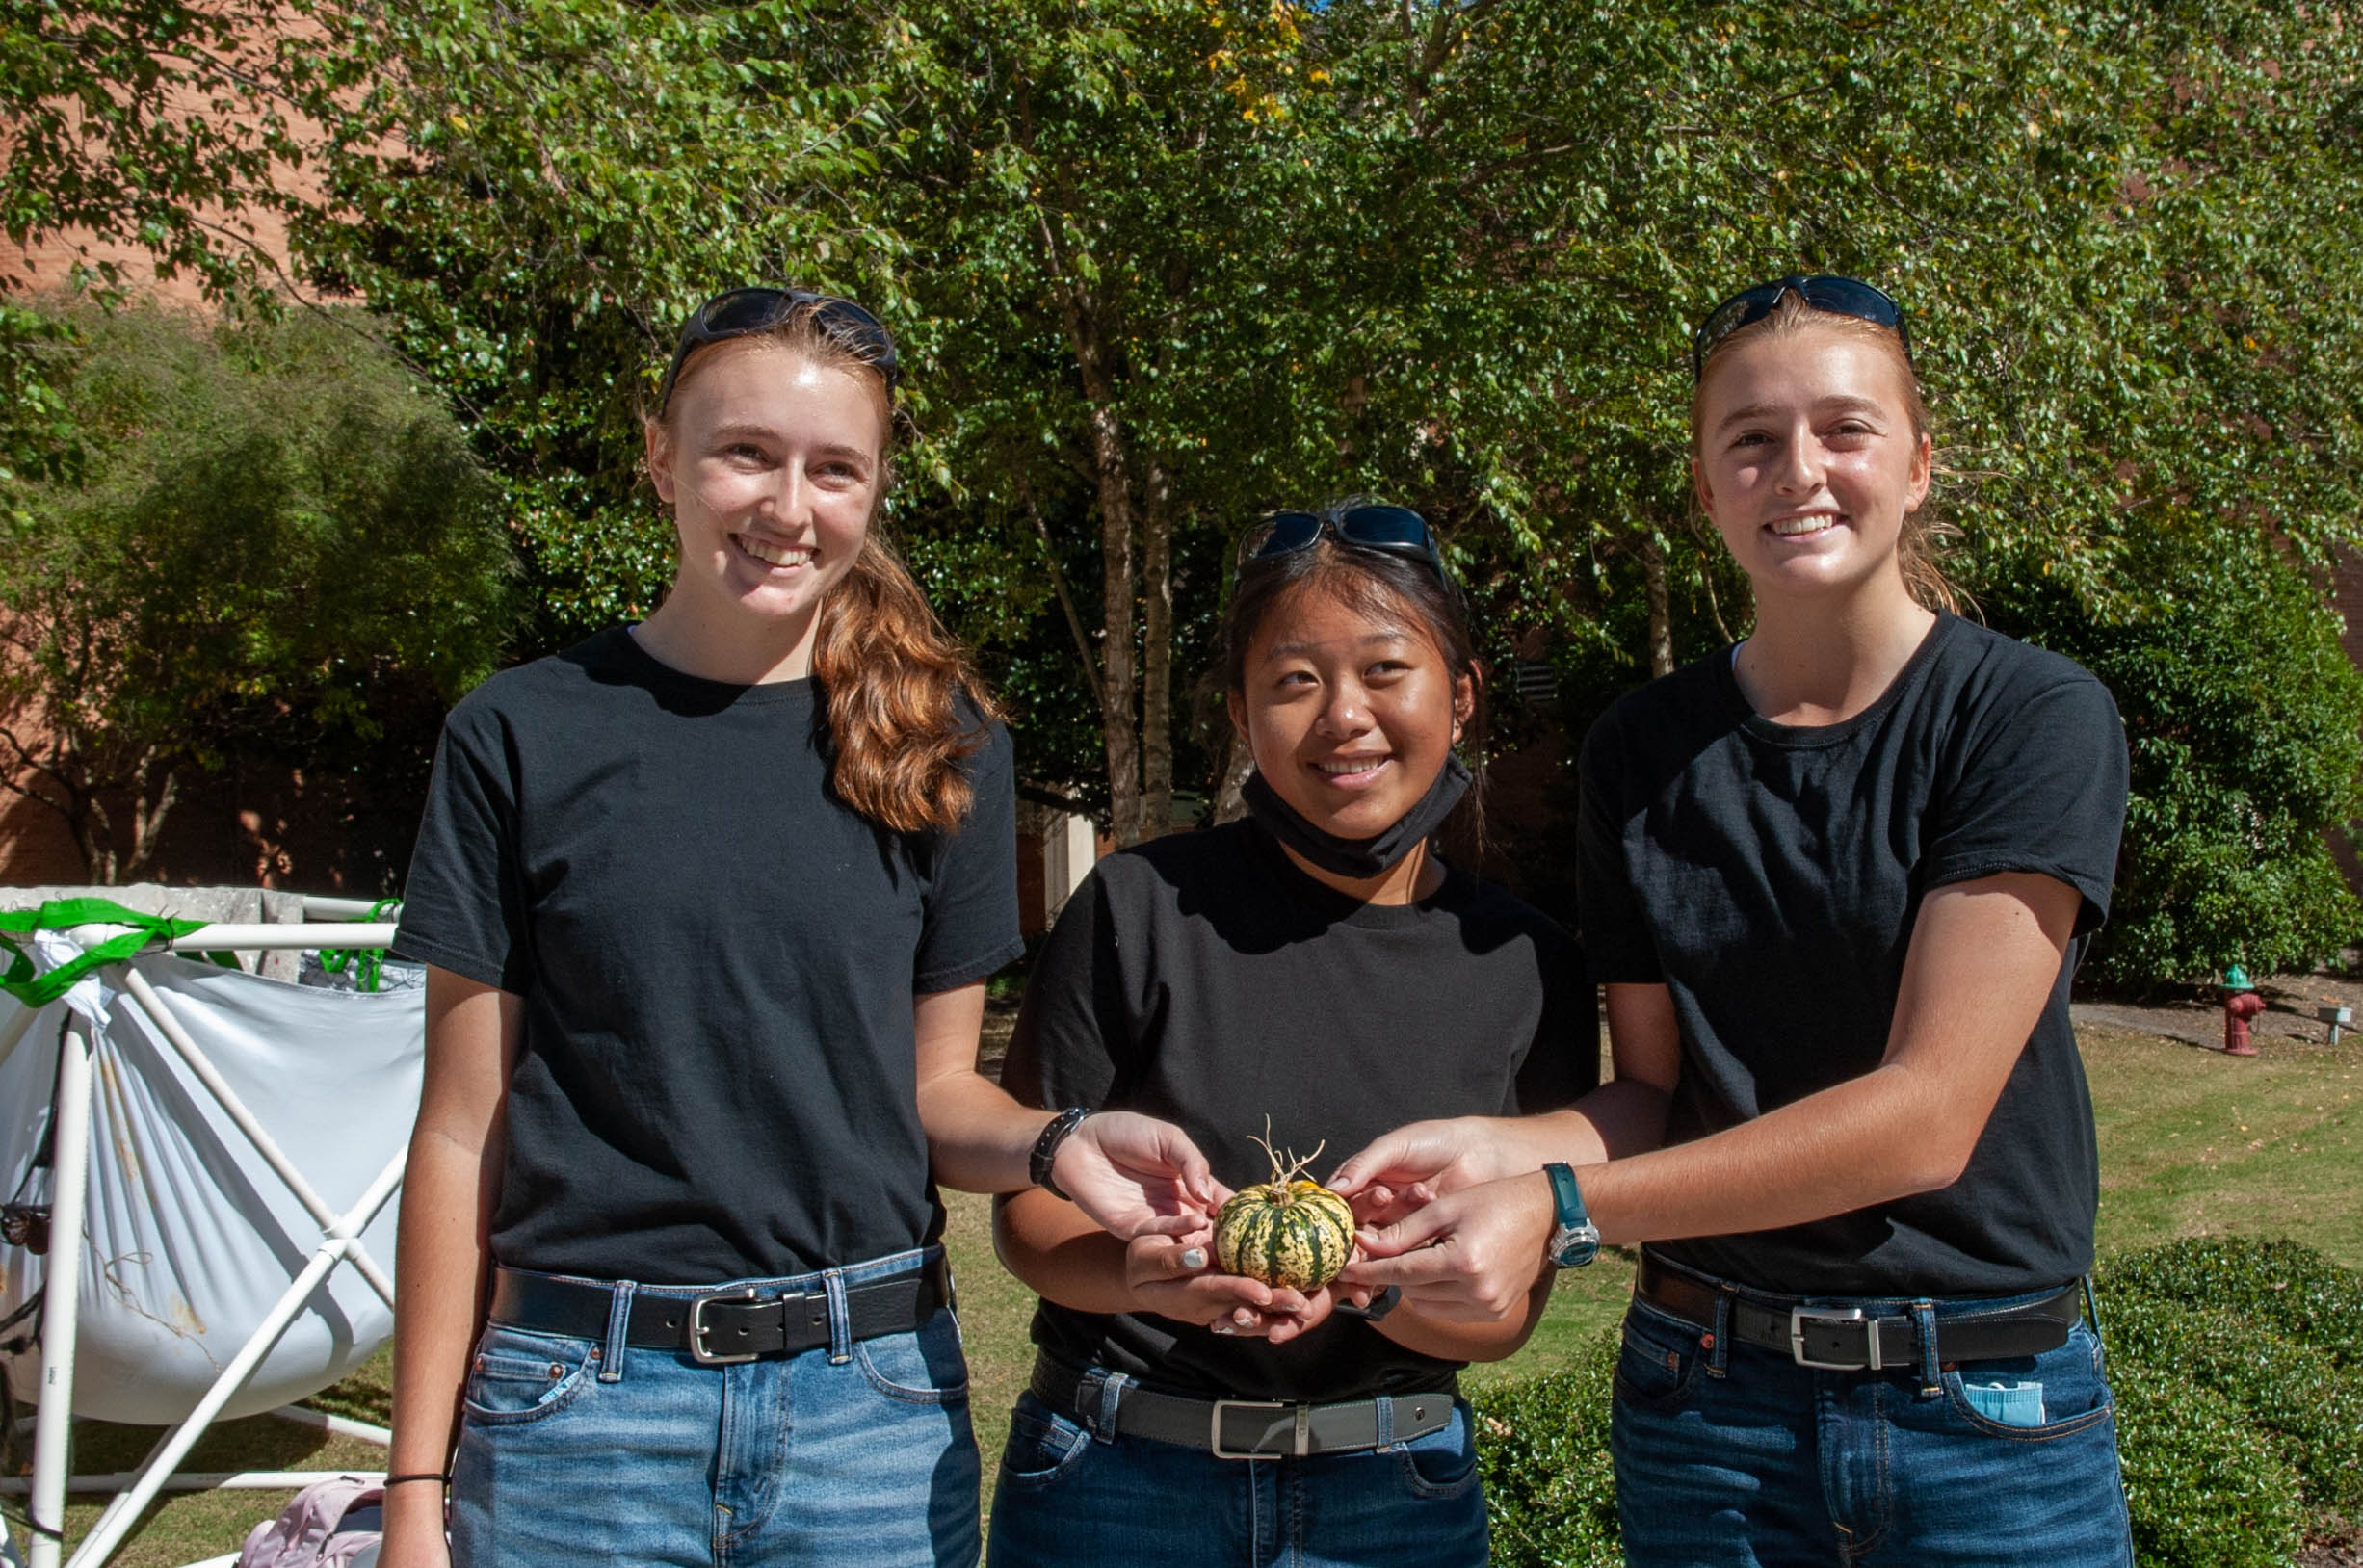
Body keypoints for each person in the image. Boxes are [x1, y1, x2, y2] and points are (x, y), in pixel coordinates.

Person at [377, 287, 1213, 1568]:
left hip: (868, 1423)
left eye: (835, 469)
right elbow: (457, 1130)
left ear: (874, 489)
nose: (787, 507)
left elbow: (934, 1092)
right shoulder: (519, 734)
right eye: (745, 454)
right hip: (576, 1419)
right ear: (660, 454)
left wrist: (1059, 1142)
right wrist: (416, 1488)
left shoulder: (947, 751)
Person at [1335, 276, 2136, 1566]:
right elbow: (1656, 1090)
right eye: (1751, 441)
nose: (1797, 471)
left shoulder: (2025, 718)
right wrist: (1482, 1150)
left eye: (1844, 429)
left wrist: (1563, 1207)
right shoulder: (1640, 751)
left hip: (1983, 1414)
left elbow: (1926, 1118)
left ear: (1919, 465)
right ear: (1707, 489)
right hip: (1708, 1406)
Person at [986, 503, 1603, 1568]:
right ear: (1240, 710)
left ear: (1459, 697)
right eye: (1293, 680)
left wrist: (1380, 1285)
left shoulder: (1527, 961)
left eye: (1383, 669)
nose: (1342, 716)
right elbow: (1027, 1223)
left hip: (1392, 1494)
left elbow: (1506, 1313)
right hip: (1117, 1478)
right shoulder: (1137, 906)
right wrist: (1143, 1275)